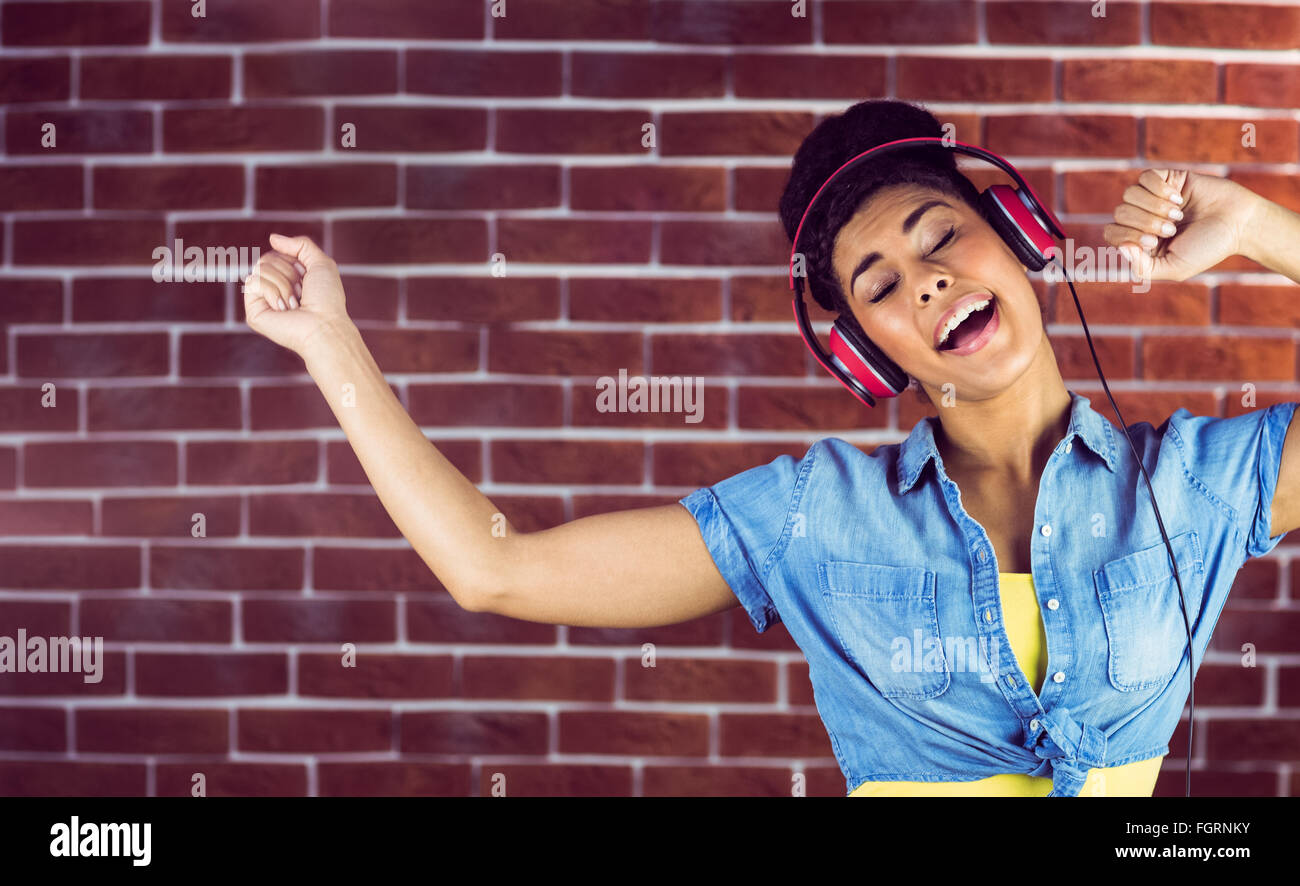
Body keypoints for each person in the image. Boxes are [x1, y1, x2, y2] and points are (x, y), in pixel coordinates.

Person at [242, 98, 1300, 797]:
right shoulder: (810, 515)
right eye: (880, 285)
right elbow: (492, 566)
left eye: (941, 239)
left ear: (1020, 236)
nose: (924, 281)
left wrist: (1254, 224)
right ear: (869, 352)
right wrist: (331, 342)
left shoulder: (1196, 488)